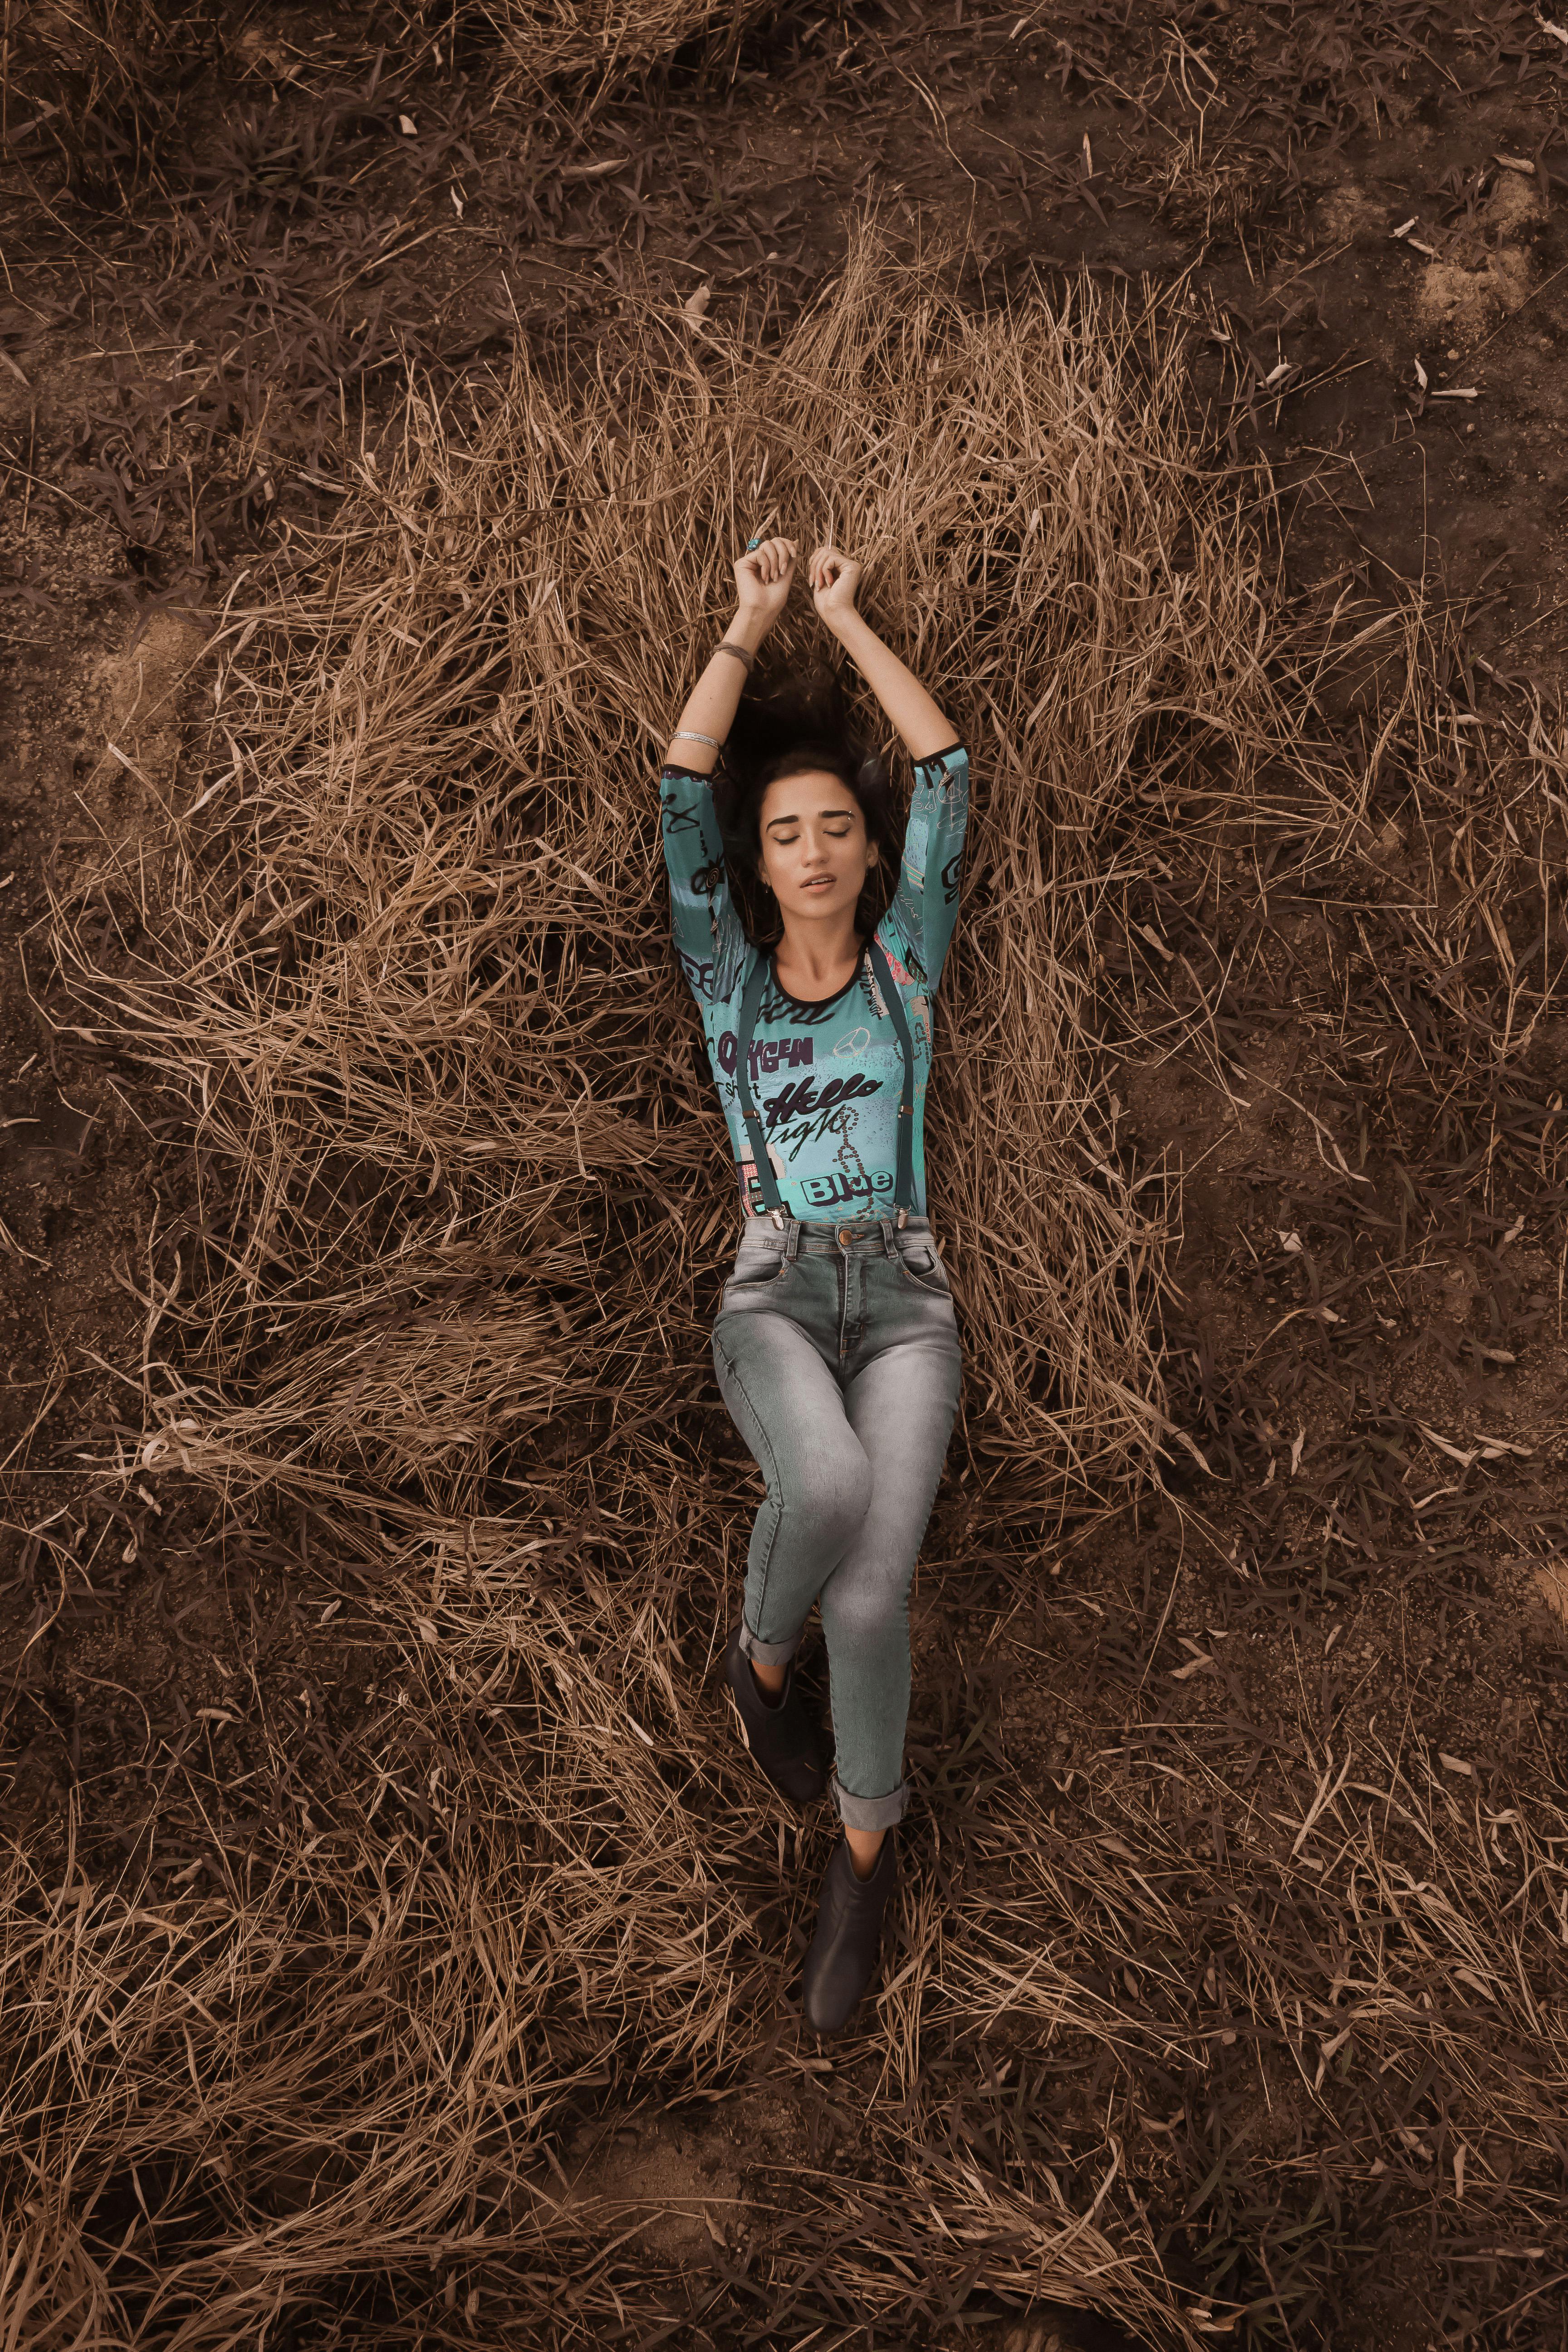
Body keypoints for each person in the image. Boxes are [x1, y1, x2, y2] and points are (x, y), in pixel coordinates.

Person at [659, 533, 969, 2035]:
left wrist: (847, 624)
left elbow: (952, 775)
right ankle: (753, 1661)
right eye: (787, 830)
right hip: (777, 1294)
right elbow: (674, 793)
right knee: (828, 1494)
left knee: (874, 1592)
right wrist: (752, 621)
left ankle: (862, 1862)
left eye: (839, 823)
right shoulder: (722, 971)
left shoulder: (908, 961)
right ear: (759, 859)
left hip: (905, 1300)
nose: (819, 850)